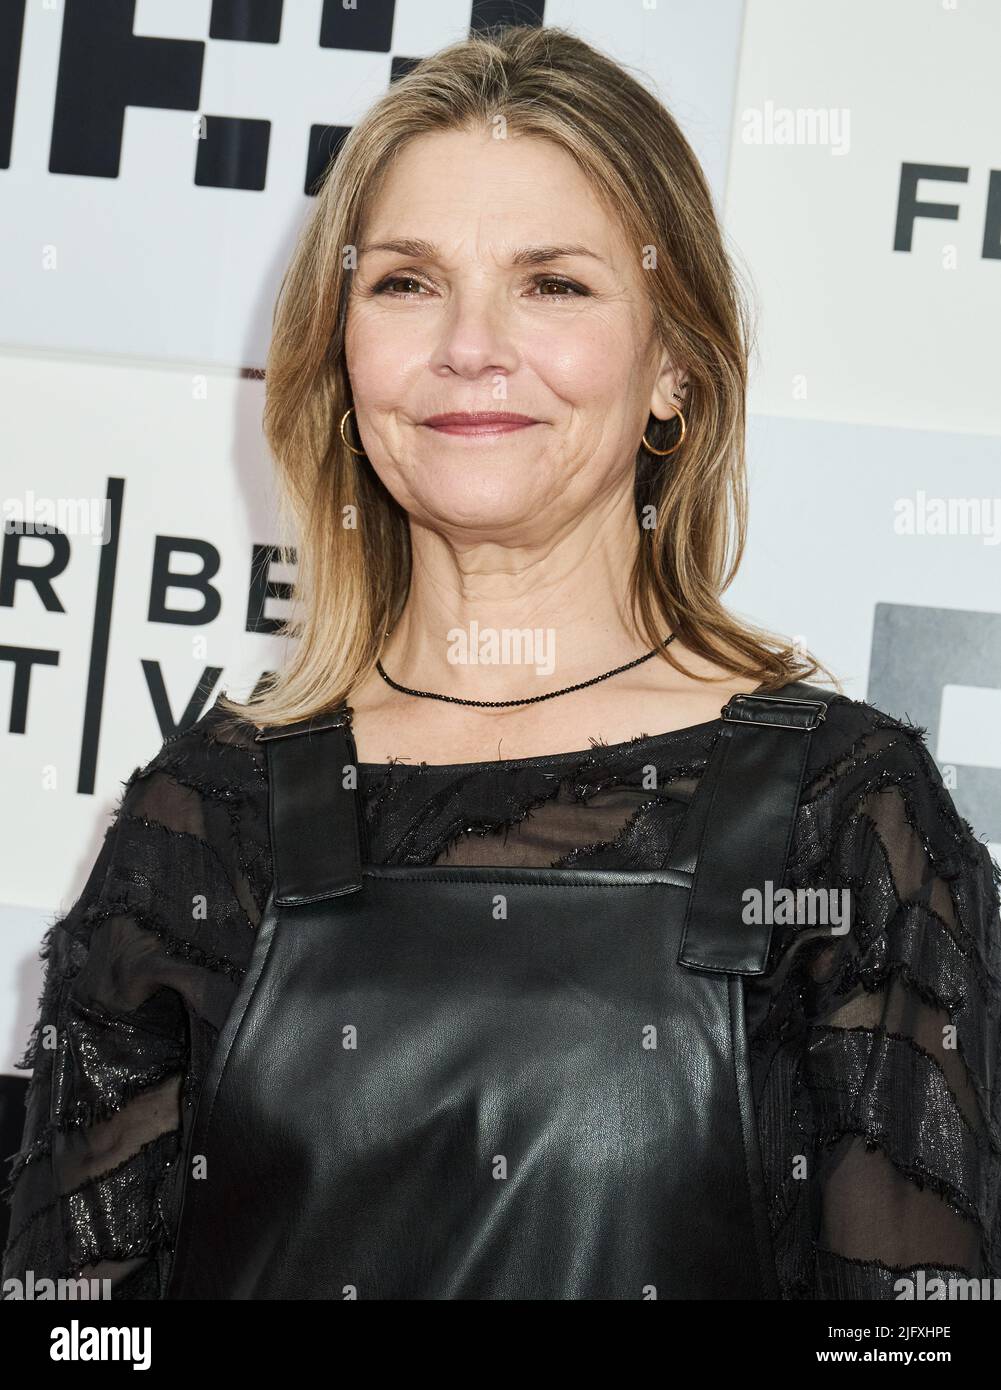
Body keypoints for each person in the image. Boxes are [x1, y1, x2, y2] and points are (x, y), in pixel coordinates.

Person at [3, 24, 999, 1301]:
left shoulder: (837, 819)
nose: (468, 345)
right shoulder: (203, 821)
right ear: (339, 352)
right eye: (406, 283)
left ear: (673, 370)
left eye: (553, 284)